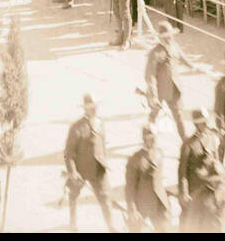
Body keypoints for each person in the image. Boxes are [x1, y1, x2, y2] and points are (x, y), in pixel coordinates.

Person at [63, 94, 114, 231]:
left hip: (98, 169)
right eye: (91, 107)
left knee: (106, 199)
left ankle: (111, 227)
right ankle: (73, 224)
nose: (95, 109)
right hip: (81, 170)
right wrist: (72, 171)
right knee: (73, 196)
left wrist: (104, 162)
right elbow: (69, 153)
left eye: (96, 106)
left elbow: (102, 145)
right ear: (85, 109)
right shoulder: (76, 127)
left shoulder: (100, 123)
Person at [144, 22, 193, 139]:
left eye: (170, 36)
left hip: (174, 88)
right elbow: (149, 75)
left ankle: (184, 139)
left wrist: (192, 66)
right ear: (161, 38)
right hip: (159, 91)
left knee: (179, 115)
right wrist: (153, 95)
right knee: (153, 116)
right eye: (167, 37)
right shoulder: (154, 53)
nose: (170, 38)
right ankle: (148, 138)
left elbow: (181, 57)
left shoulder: (174, 46)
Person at [124, 124, 169, 232]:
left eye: (155, 138)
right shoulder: (135, 159)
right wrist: (132, 210)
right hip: (141, 205)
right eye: (150, 139)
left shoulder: (159, 153)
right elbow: (129, 187)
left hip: (159, 203)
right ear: (144, 140)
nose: (154, 141)